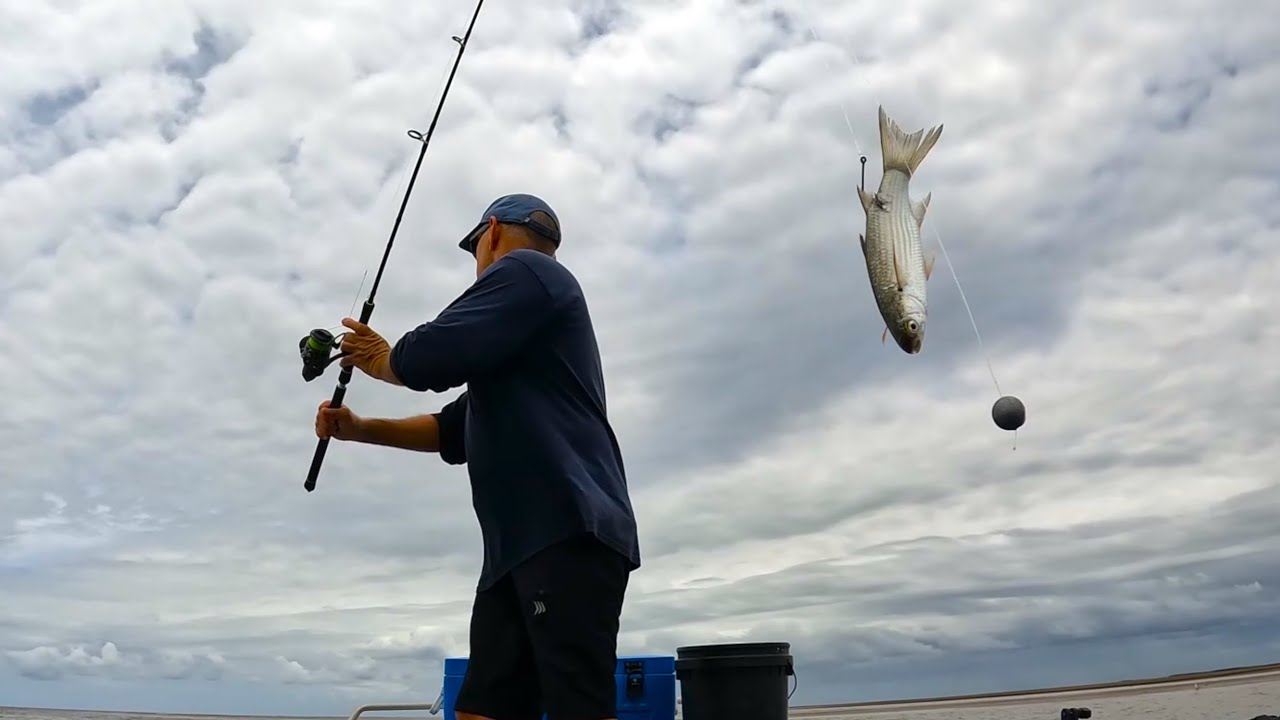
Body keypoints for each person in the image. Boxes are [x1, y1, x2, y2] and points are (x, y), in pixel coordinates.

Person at [315, 193, 641, 720]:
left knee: (576, 707)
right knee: (482, 709)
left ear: (490, 233)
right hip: (515, 551)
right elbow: (453, 429)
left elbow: (427, 358)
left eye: (475, 251)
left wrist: (382, 357)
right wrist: (359, 429)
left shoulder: (530, 270)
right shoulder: (522, 353)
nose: (478, 265)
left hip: (566, 530)